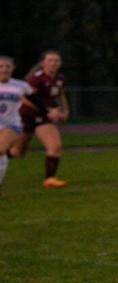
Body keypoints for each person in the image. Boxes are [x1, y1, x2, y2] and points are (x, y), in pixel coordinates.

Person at [7, 50, 70, 188]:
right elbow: (24, 99)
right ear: (43, 63)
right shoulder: (36, 78)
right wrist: (46, 110)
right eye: (50, 60)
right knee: (18, 152)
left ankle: (50, 179)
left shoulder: (59, 79)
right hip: (26, 116)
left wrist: (65, 110)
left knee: (55, 146)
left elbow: (60, 94)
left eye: (56, 60)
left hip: (44, 117)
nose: (53, 63)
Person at [0, 56, 31, 196]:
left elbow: (35, 100)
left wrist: (50, 111)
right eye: (1, 66)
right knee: (1, 156)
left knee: (0, 149)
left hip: (12, 124)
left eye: (7, 66)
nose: (4, 69)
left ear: (13, 68)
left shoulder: (21, 85)